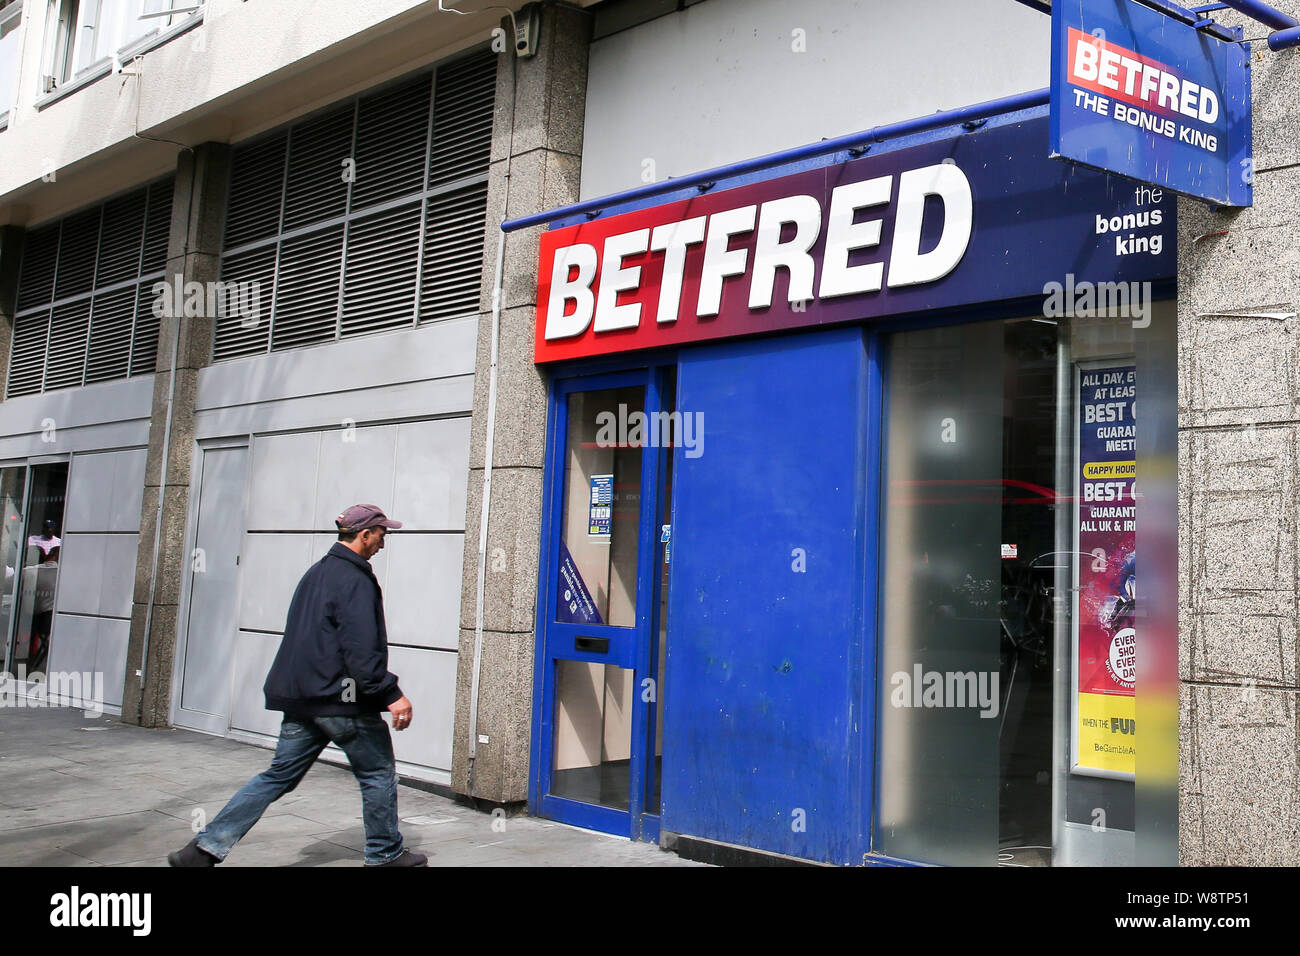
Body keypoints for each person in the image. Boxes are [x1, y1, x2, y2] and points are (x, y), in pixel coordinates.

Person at [168, 504, 426, 867]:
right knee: (376, 772)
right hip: (341, 699)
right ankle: (384, 855)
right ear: (365, 534)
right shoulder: (354, 579)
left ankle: (202, 850)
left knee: (278, 776)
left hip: (304, 698)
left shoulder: (318, 572)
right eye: (382, 534)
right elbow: (360, 650)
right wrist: (391, 695)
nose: (384, 542)